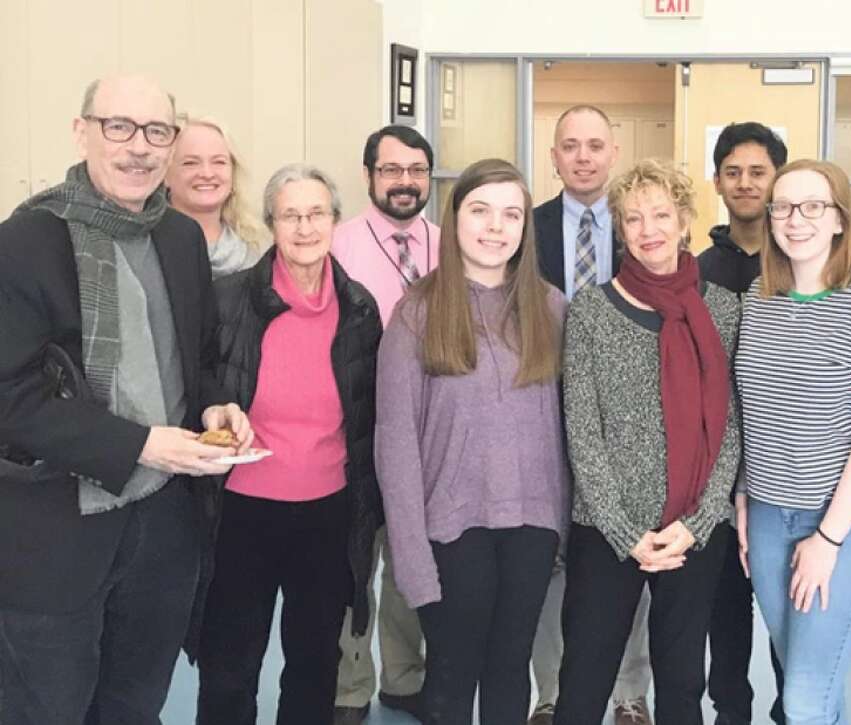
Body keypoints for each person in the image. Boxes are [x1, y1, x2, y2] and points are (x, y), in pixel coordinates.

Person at [0, 74, 252, 725]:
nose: (139, 147)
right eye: (119, 126)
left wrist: (216, 406)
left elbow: (197, 360)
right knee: (46, 709)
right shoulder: (23, 242)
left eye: (156, 131)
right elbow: (10, 397)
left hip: (164, 523)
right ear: (81, 132)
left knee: (135, 705)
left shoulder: (180, 238)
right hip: (56, 526)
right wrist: (138, 443)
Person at [377, 158, 570, 725]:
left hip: (532, 529)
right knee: (452, 678)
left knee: (510, 673)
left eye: (511, 214)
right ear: (455, 218)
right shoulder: (417, 313)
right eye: (481, 211)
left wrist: (563, 529)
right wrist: (410, 555)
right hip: (449, 530)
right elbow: (395, 442)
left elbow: (566, 431)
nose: (495, 227)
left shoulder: (551, 308)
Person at [554, 158, 741, 725]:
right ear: (620, 228)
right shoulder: (591, 310)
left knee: (682, 684)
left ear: (684, 220)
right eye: (633, 218)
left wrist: (699, 522)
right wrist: (622, 531)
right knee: (583, 681)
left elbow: (730, 428)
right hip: (607, 530)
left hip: (692, 530)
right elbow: (582, 430)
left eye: (661, 214)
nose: (648, 229)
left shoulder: (722, 308)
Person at [194, 164, 383, 725]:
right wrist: (213, 407)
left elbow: (369, 412)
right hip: (242, 510)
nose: (304, 228)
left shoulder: (361, 309)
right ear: (271, 223)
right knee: (229, 665)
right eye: (290, 215)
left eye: (316, 213)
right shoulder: (228, 299)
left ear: (335, 221)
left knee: (314, 664)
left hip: (329, 512)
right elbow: (197, 379)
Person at [735, 159, 851, 725]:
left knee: (805, 698)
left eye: (813, 206)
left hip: (847, 520)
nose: (796, 219)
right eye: (783, 207)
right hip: (768, 512)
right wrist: (743, 498)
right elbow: (751, 412)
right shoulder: (758, 301)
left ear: (839, 219)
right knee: (807, 679)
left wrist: (828, 540)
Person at [529, 104, 653, 725]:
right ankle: (551, 693)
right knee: (550, 558)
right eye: (570, 145)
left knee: (630, 549)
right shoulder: (525, 229)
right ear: (554, 157)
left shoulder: (642, 227)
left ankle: (630, 692)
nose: (583, 156)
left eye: (595, 145)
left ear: (613, 154)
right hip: (543, 415)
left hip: (627, 424)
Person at [330, 124, 440, 724]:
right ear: (369, 175)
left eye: (416, 170)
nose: (405, 181)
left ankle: (405, 678)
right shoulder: (337, 246)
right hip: (354, 430)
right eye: (391, 169)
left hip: (428, 433)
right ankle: (350, 687)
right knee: (353, 563)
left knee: (410, 561)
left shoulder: (450, 246)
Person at [696, 120, 788, 725]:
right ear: (717, 182)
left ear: (777, 179)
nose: (746, 183)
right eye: (733, 172)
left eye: (758, 172)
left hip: (785, 470)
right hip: (715, 473)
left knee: (787, 618)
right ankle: (732, 713)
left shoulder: (800, 263)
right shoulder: (697, 270)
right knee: (723, 618)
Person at [165, 115, 265, 278]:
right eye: (191, 163)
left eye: (219, 162)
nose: (207, 173)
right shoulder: (147, 250)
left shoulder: (254, 254)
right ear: (165, 175)